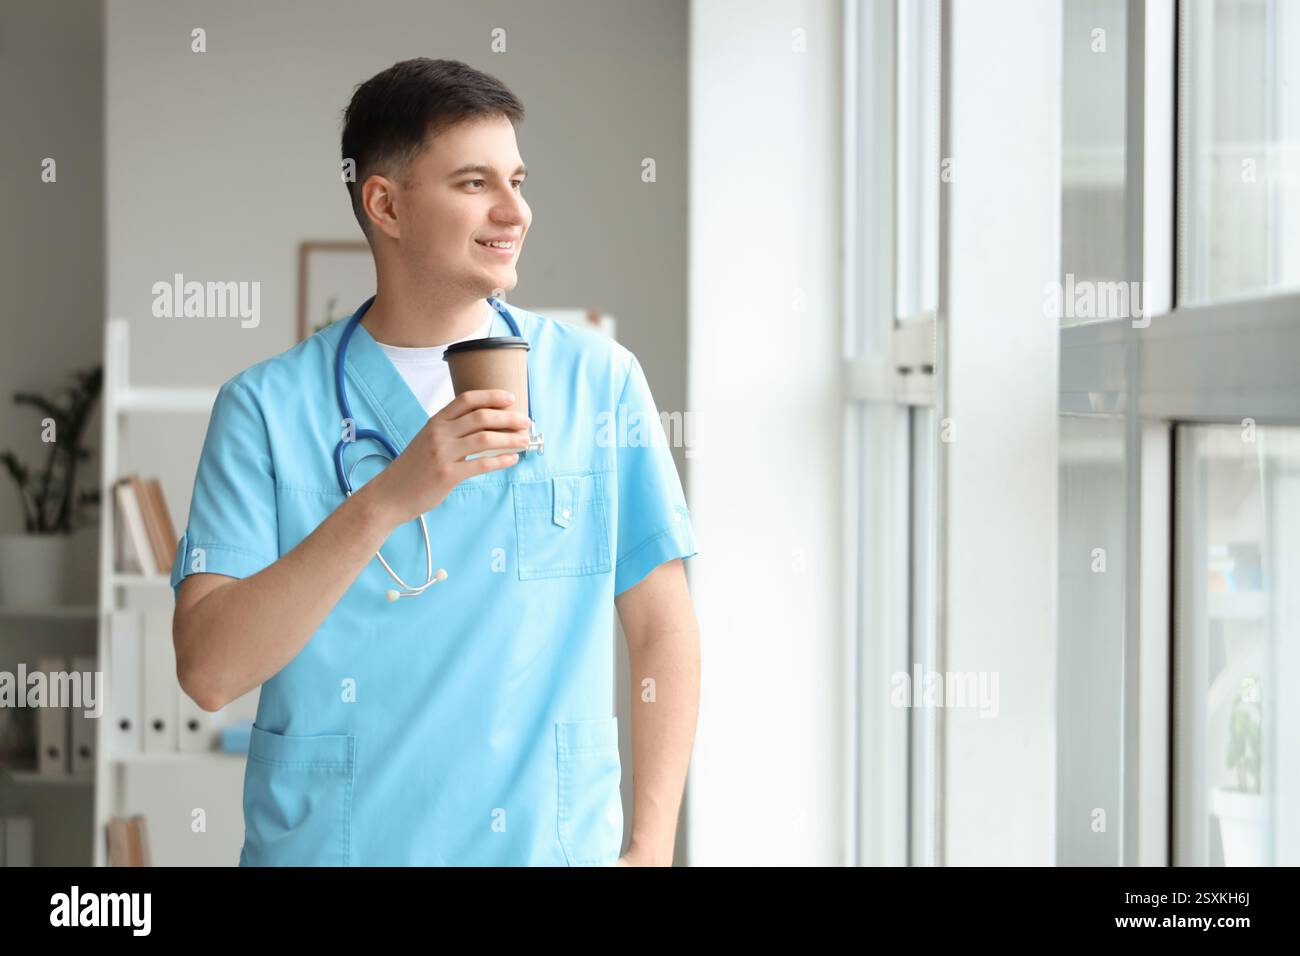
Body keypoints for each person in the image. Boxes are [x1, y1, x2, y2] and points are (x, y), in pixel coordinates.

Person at [170, 58, 700, 866]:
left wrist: (652, 846)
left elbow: (663, 629)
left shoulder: (599, 382)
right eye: (473, 183)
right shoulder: (265, 410)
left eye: (518, 180)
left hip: (543, 849)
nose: (514, 210)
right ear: (384, 203)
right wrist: (384, 501)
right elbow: (210, 671)